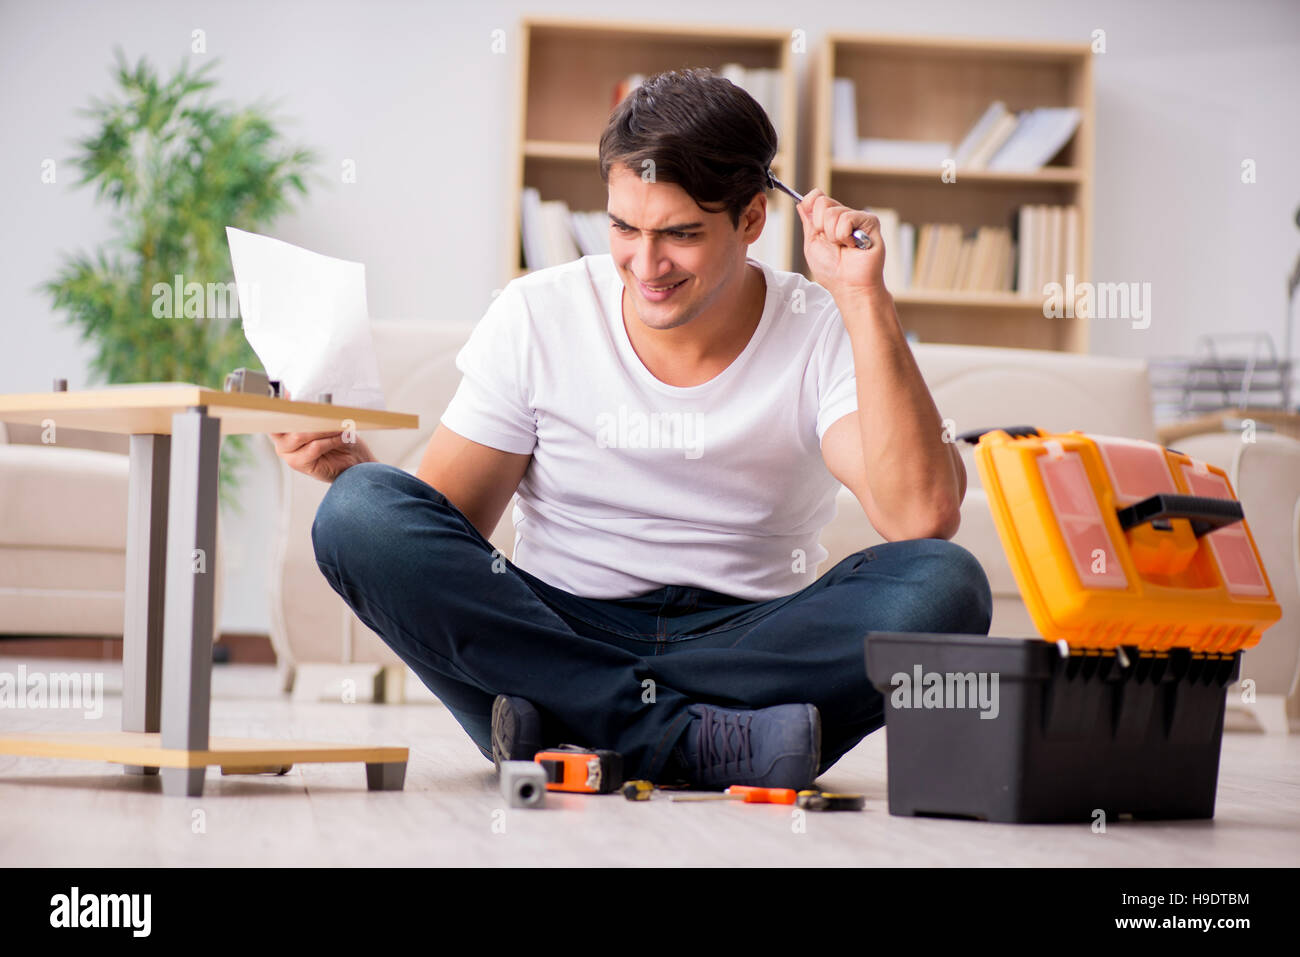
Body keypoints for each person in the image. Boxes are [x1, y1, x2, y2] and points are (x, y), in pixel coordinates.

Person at [272, 68, 992, 791]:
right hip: (558, 626)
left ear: (751, 219)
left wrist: (865, 299)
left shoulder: (819, 324)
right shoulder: (538, 314)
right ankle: (708, 740)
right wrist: (353, 473)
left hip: (742, 643)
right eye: (624, 228)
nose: (645, 266)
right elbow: (445, 535)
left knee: (944, 585)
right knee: (361, 511)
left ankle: (575, 732)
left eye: (680, 234)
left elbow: (919, 515)